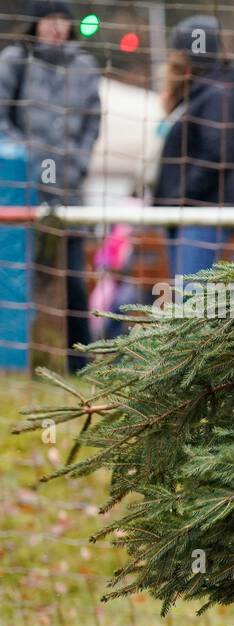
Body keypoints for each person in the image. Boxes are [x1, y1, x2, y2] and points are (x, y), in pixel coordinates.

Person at [0, 0, 101, 373]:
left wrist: (78, 161)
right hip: (21, 190)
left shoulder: (85, 67)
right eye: (48, 19)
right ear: (35, 24)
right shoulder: (15, 60)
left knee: (73, 278)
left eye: (62, 20)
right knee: (18, 277)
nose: (56, 27)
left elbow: (93, 122)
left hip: (70, 190)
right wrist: (26, 158)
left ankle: (79, 363)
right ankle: (20, 360)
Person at [153, 15, 234, 279]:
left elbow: (218, 155)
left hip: (201, 216)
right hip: (187, 217)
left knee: (193, 303)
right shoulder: (199, 95)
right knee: (189, 301)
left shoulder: (218, 94)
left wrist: (180, 197)